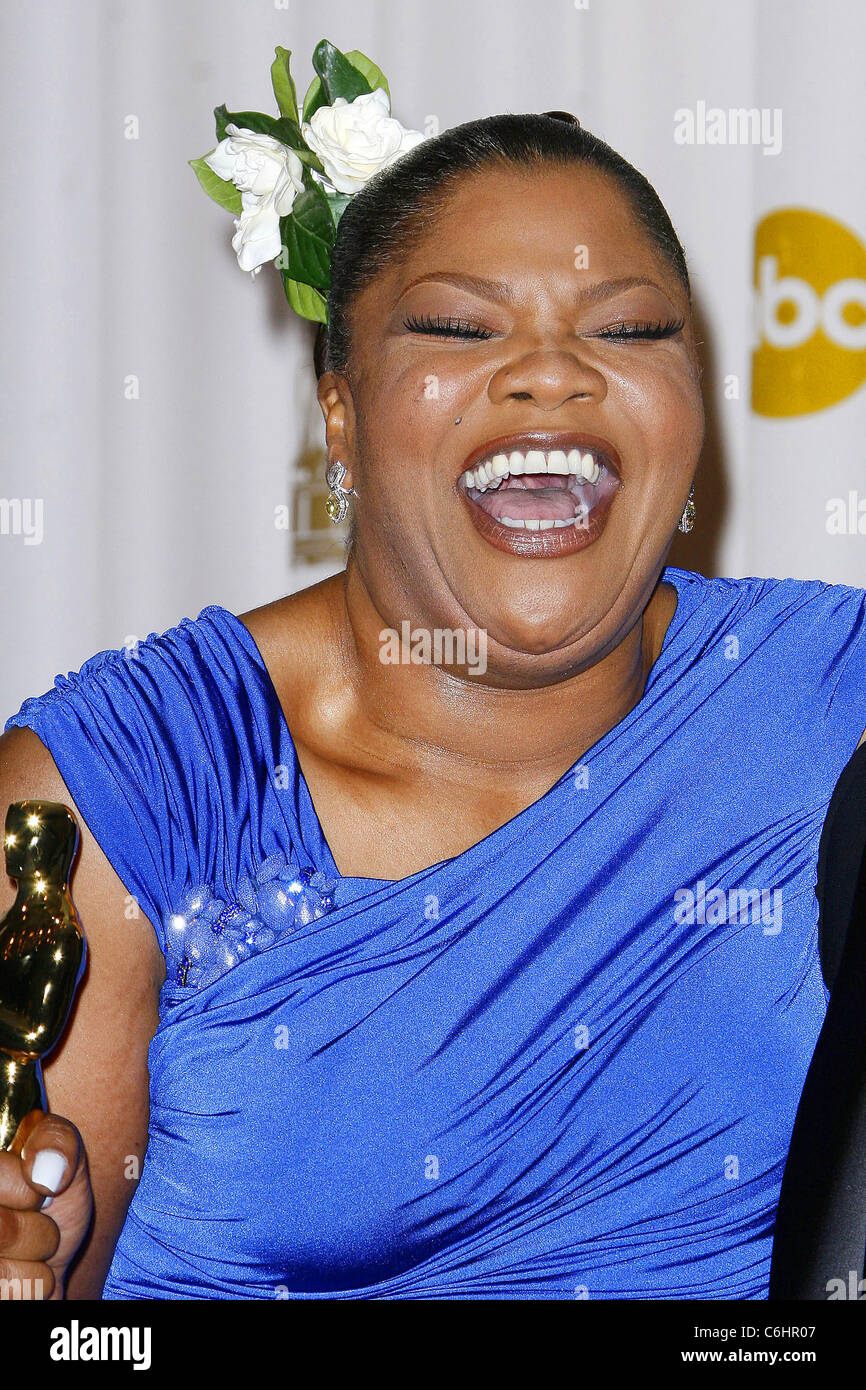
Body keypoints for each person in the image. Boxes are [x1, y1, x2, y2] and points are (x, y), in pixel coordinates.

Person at [1, 104, 865, 1301]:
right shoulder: (131, 795)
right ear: (339, 418)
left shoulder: (830, 706)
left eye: (628, 329)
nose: (554, 372)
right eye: (461, 326)